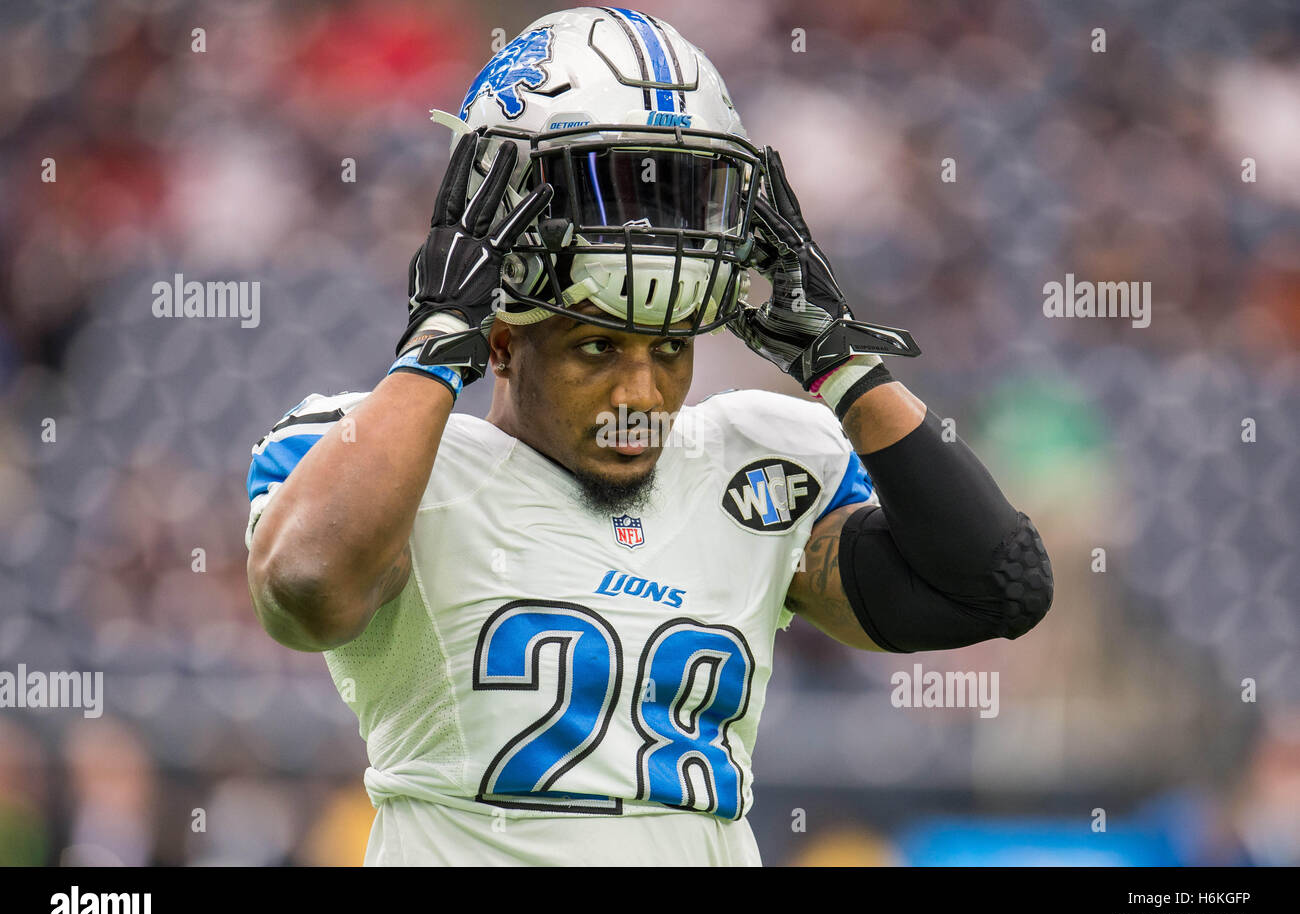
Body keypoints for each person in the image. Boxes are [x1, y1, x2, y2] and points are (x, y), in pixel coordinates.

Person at [244, 7, 1053, 866]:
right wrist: (434, 349)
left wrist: (845, 368)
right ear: (504, 342)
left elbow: (996, 588)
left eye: (670, 349)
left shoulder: (753, 458)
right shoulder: (378, 456)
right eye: (599, 347)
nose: (641, 393)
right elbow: (309, 593)